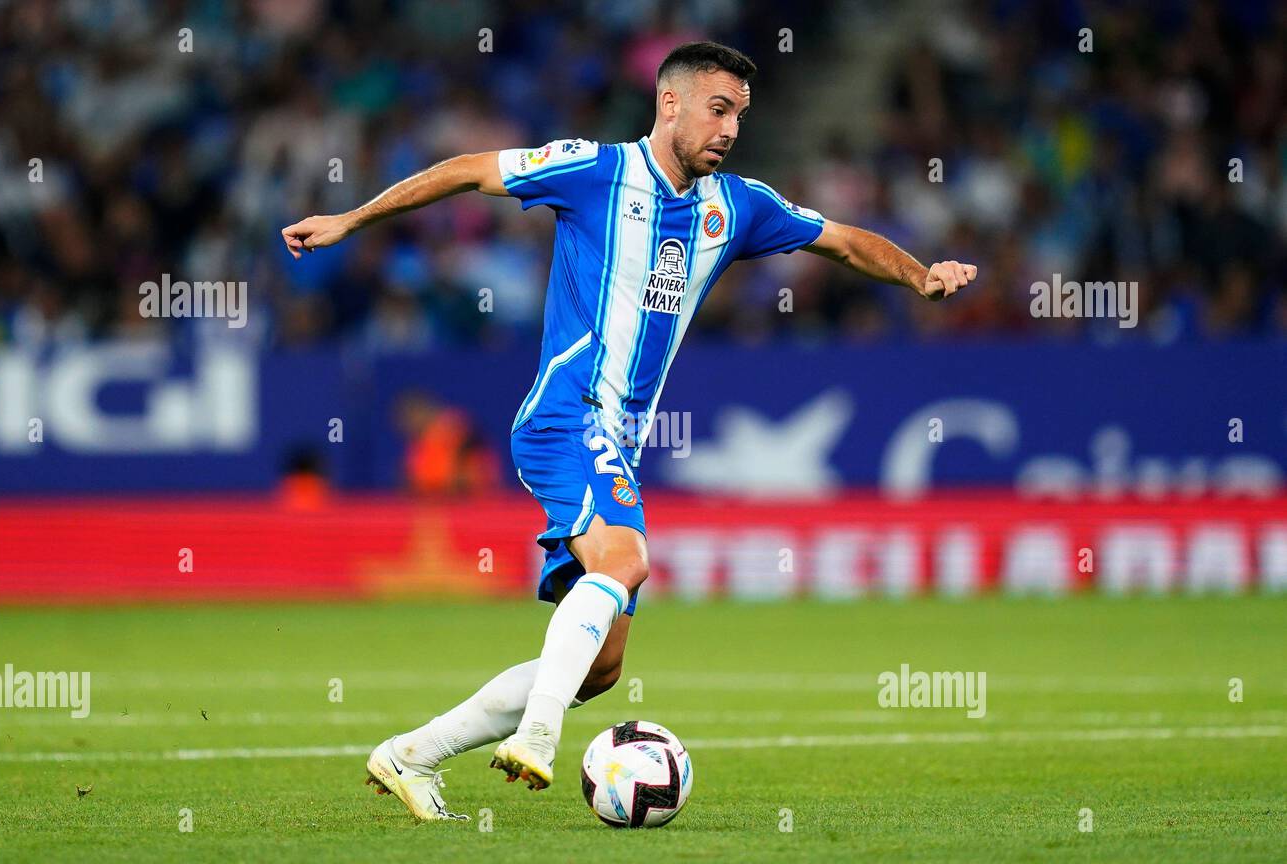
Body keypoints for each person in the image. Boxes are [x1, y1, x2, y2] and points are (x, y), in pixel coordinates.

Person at [282, 41, 977, 821]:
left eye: (740, 116)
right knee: (627, 558)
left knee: (603, 666)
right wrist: (352, 217)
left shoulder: (735, 206)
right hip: (565, 412)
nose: (730, 129)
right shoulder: (594, 169)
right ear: (669, 104)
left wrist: (920, 275)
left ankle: (412, 755)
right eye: (718, 110)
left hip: (619, 440)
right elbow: (469, 169)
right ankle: (538, 738)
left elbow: (844, 240)